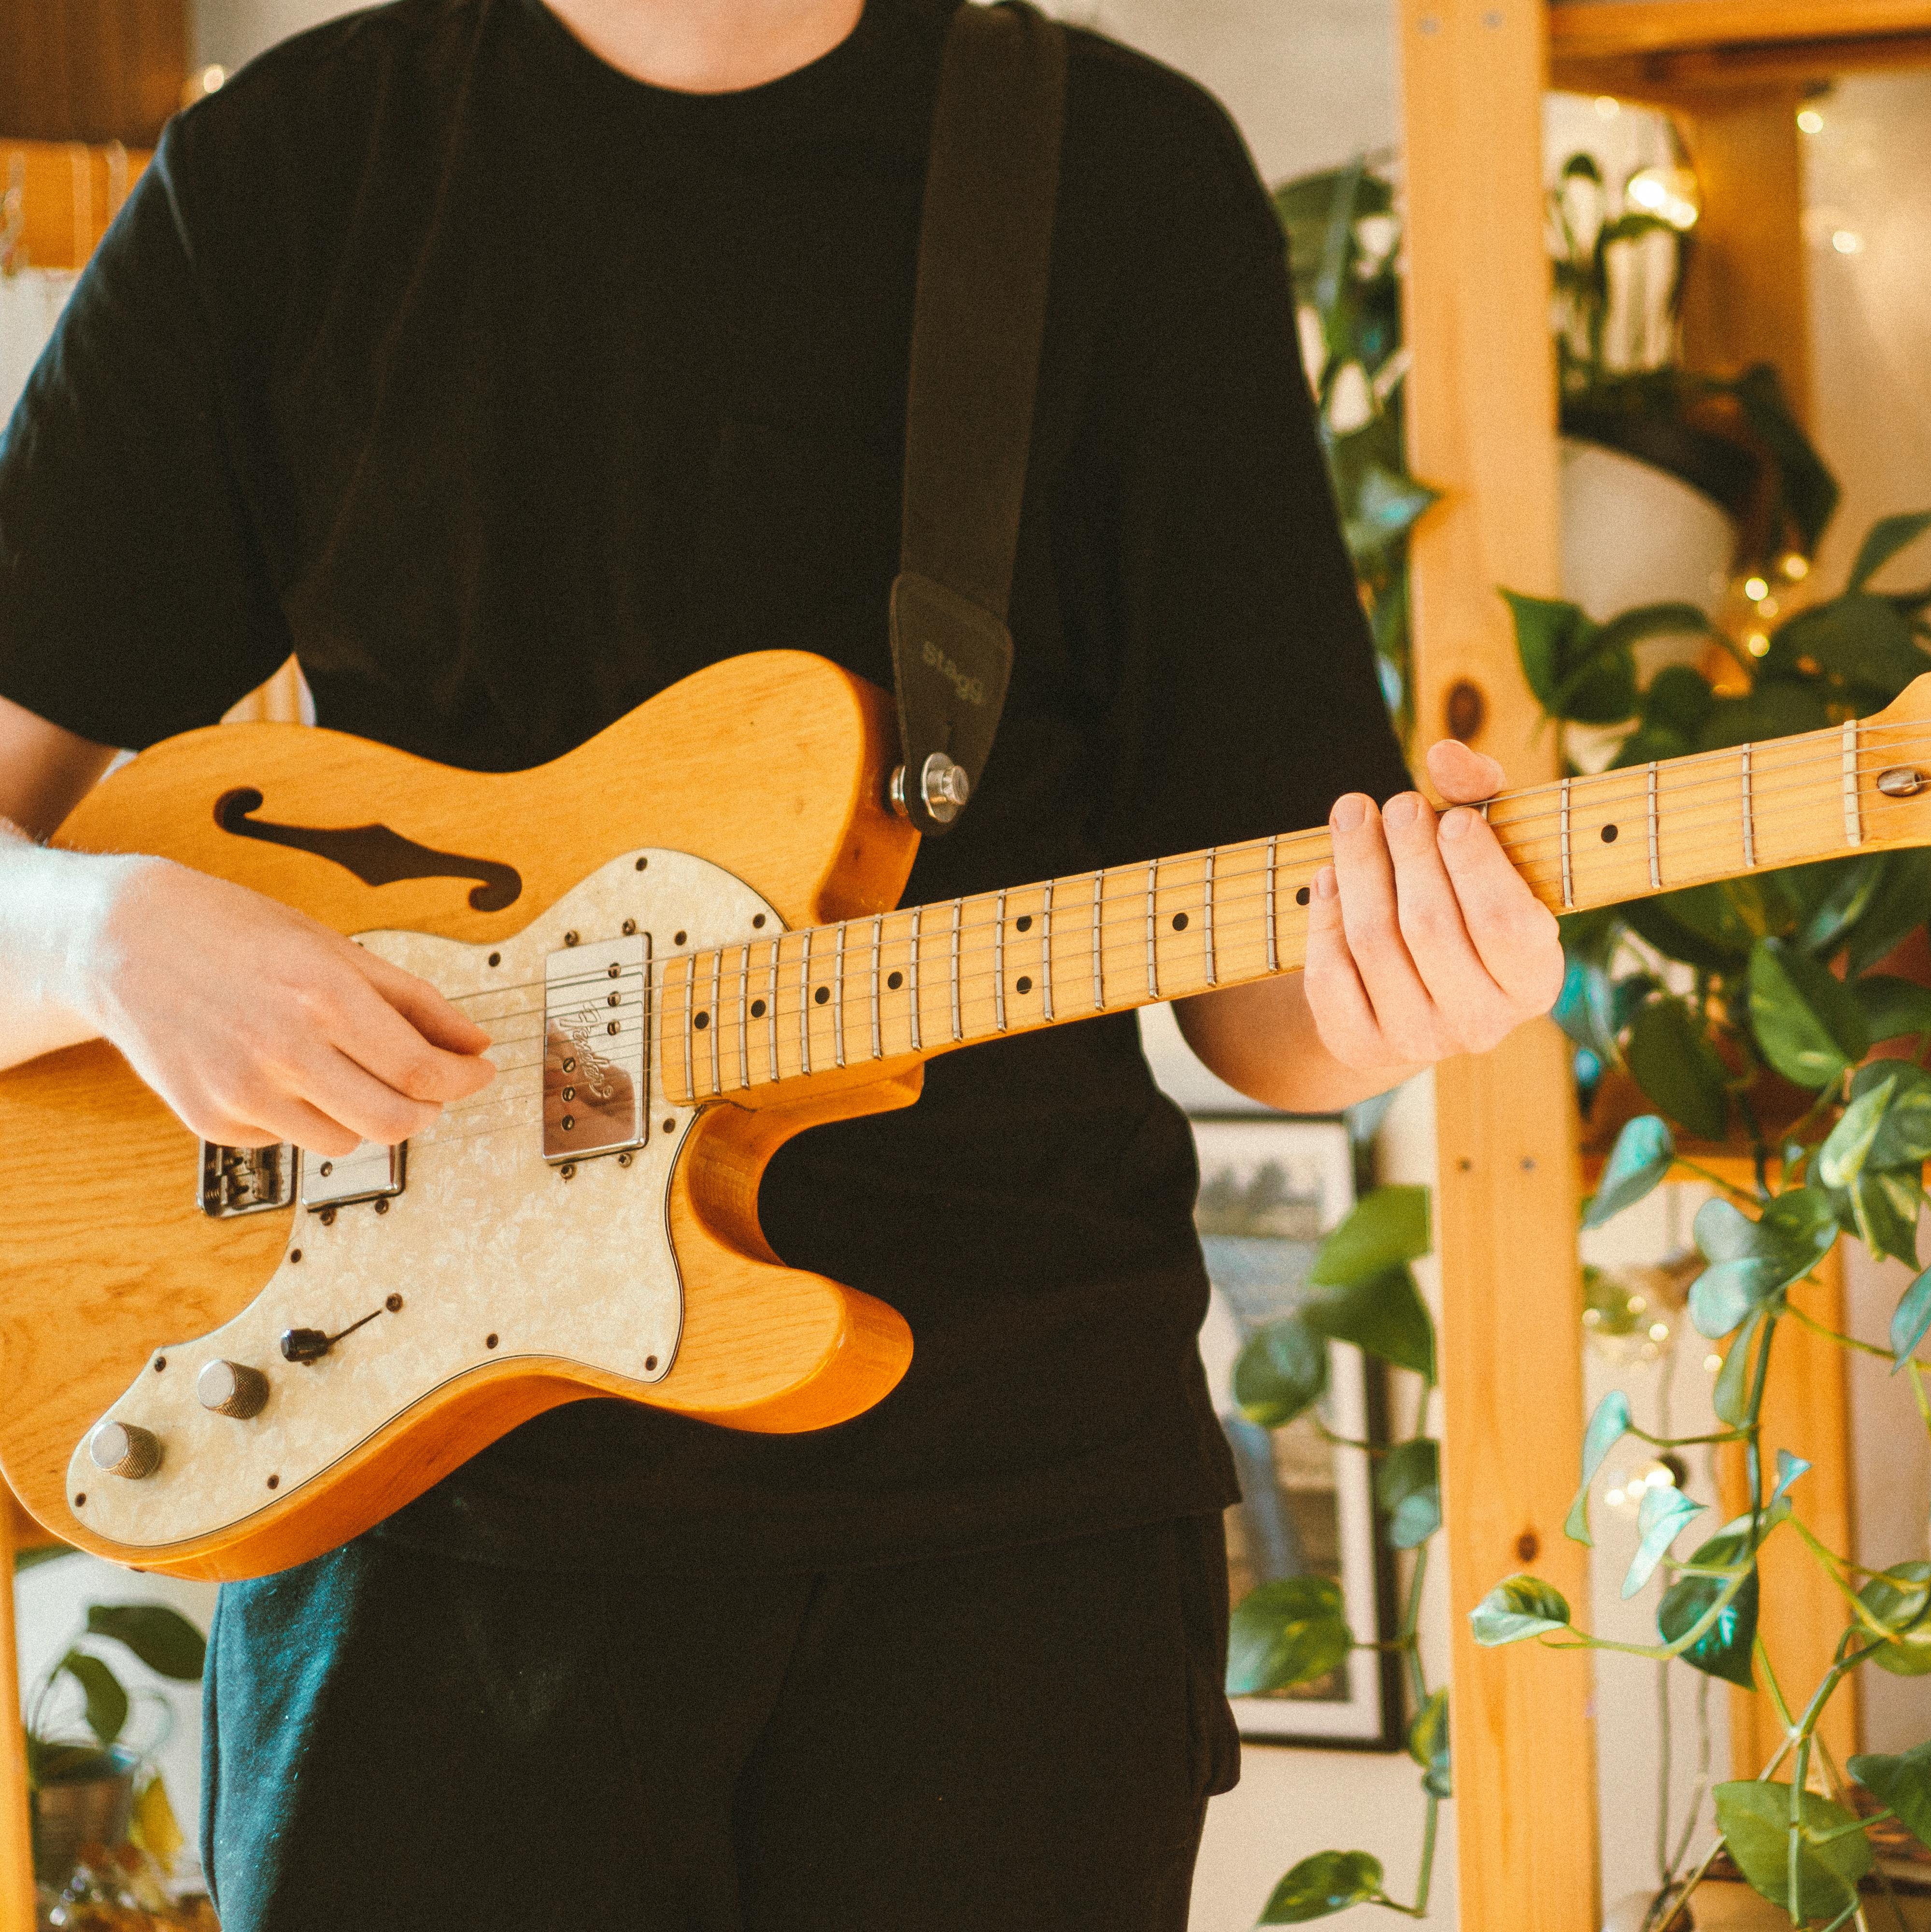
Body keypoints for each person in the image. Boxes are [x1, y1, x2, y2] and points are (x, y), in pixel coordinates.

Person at [0, 2, 1563, 1926]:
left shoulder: (1115, 173)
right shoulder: (295, 173)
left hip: (1012, 1521)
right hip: (422, 1509)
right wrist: (100, 933)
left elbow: (1268, 996)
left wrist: (1413, 988)